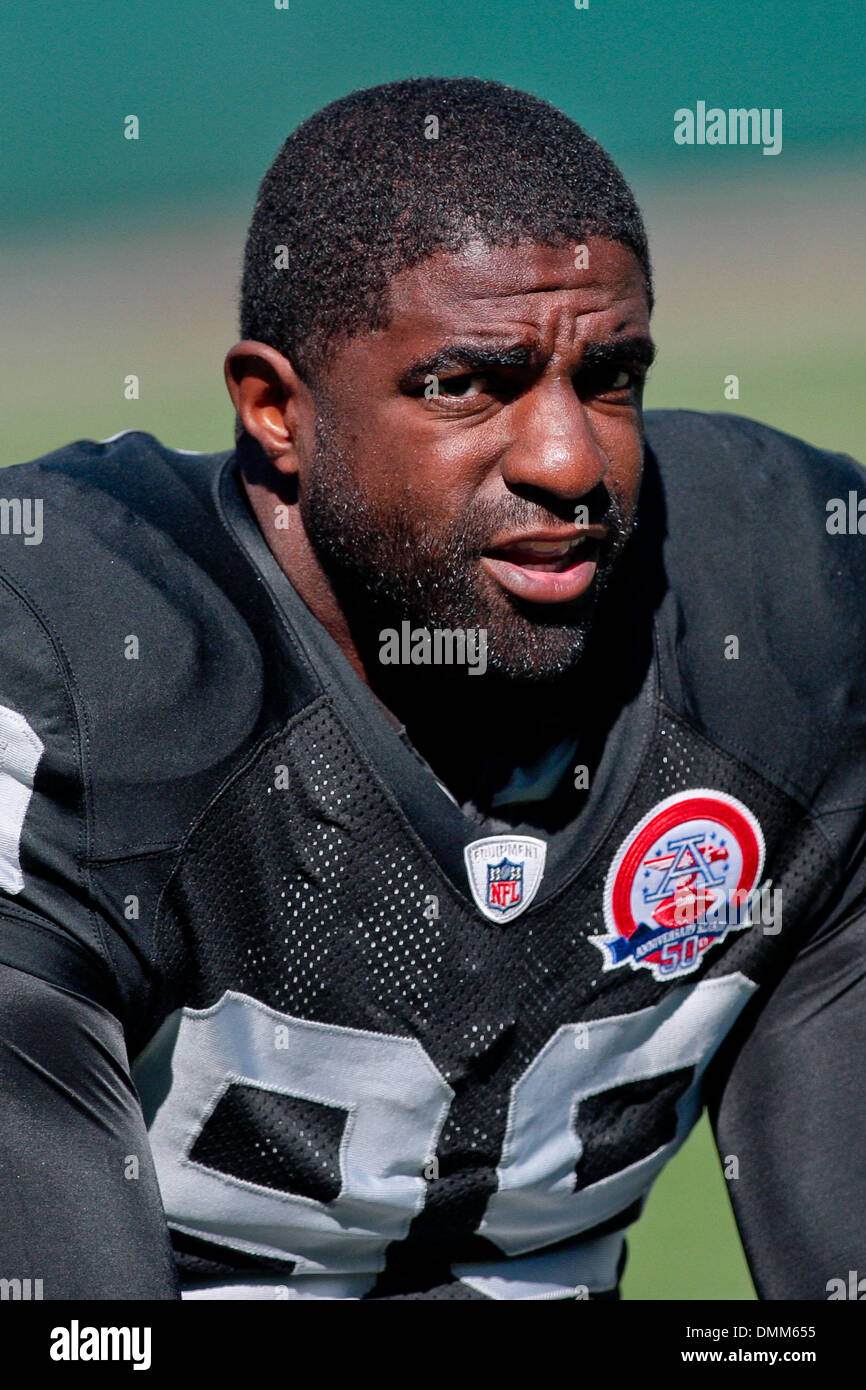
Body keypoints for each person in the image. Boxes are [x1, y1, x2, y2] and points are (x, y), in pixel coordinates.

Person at [0, 75, 863, 1301]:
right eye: (465, 384)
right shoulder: (79, 670)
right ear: (275, 410)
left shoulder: (793, 619)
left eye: (610, 376)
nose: (569, 460)